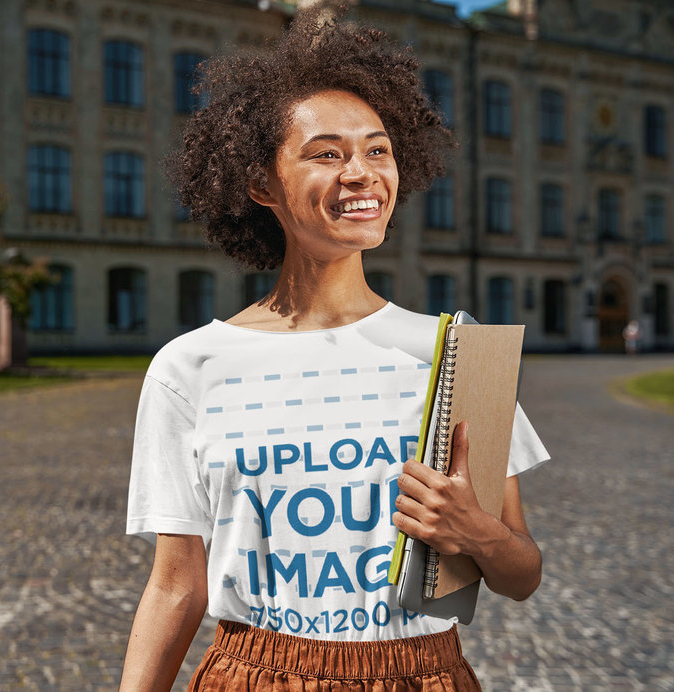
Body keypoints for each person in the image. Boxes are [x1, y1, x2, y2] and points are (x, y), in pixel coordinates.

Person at [121, 6, 549, 690]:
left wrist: (477, 531)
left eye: (378, 150)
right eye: (327, 153)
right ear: (262, 183)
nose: (362, 173)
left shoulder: (462, 353)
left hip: (423, 676)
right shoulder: (188, 369)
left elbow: (520, 575)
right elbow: (176, 588)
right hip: (255, 675)